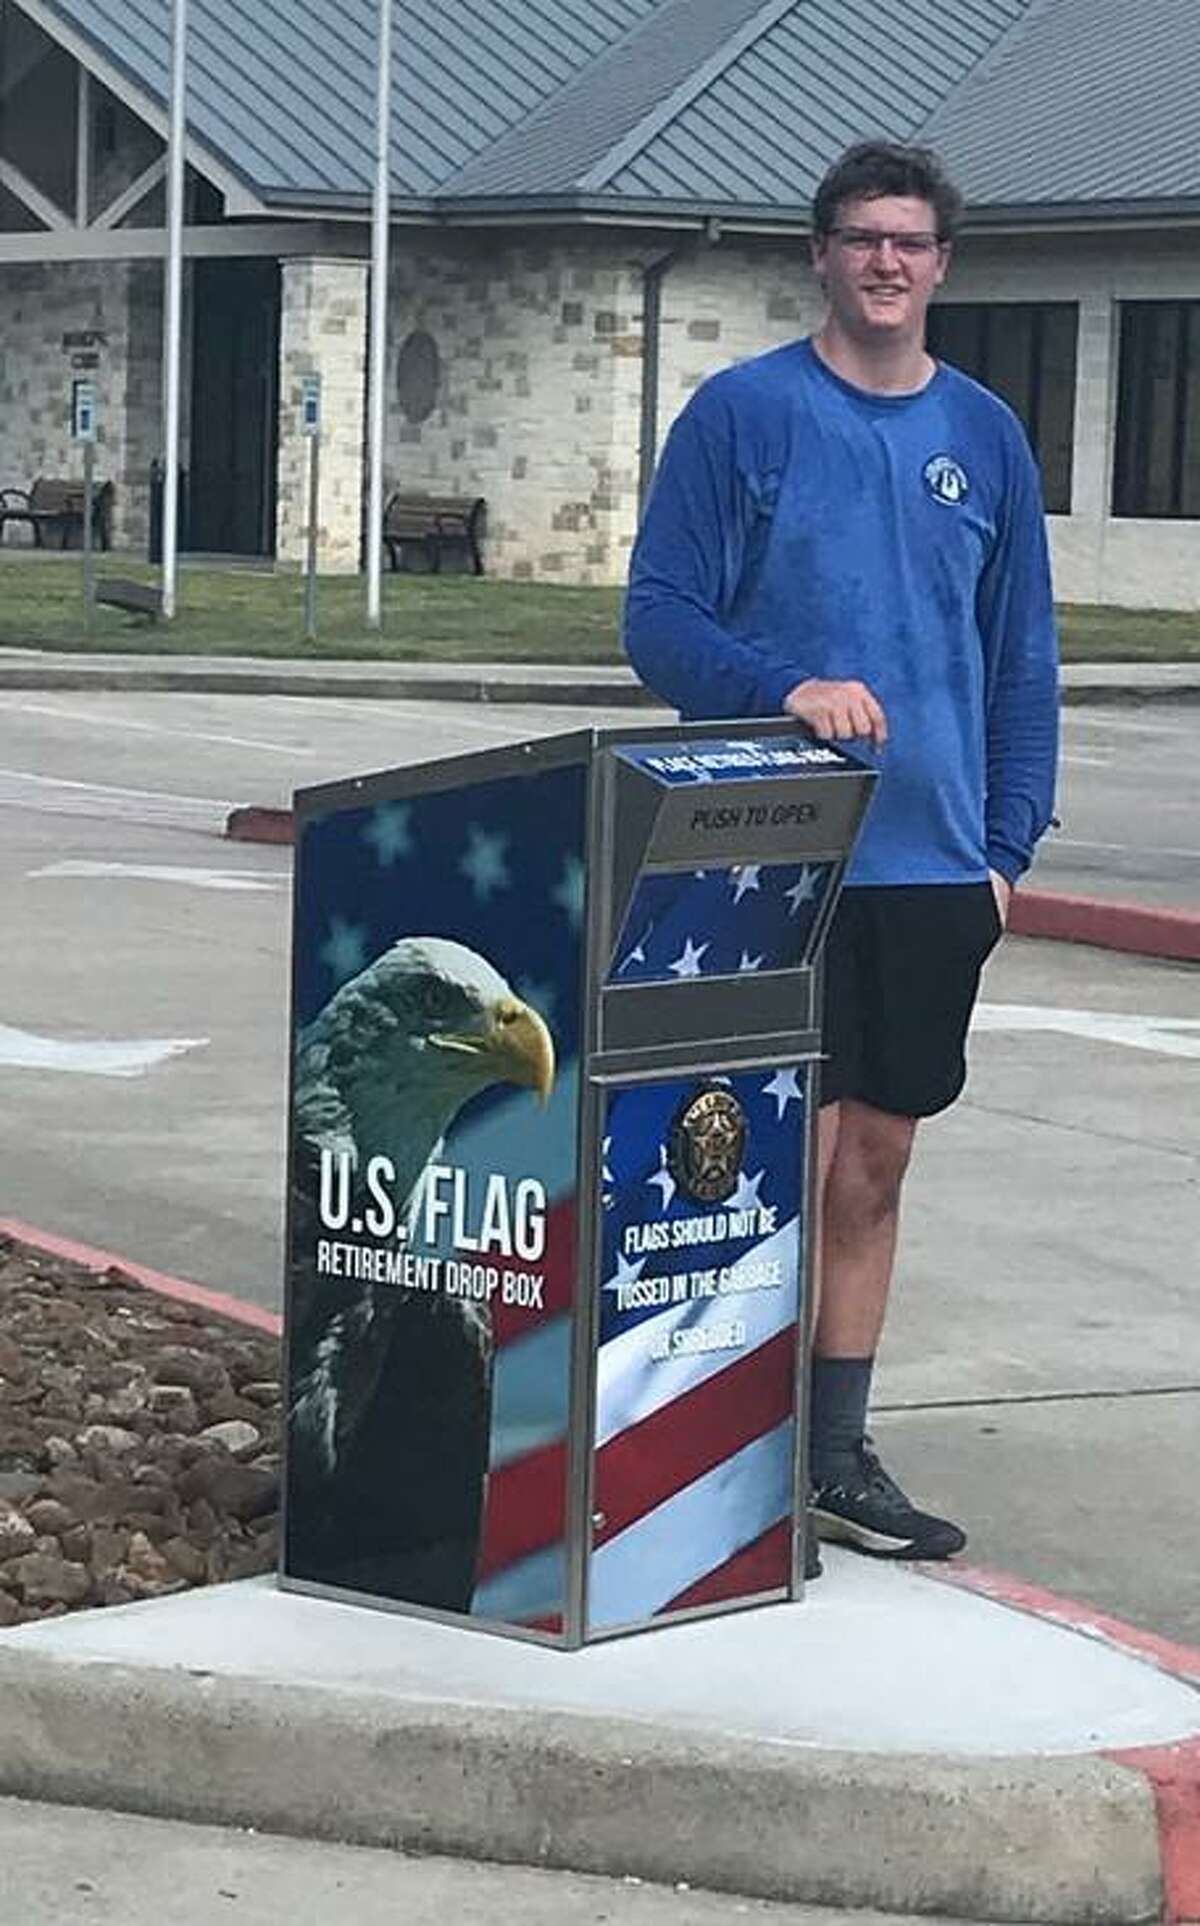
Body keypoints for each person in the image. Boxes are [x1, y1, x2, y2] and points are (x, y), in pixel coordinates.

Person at [623, 140, 1059, 1570]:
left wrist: (1008, 849)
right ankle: (724, 1454)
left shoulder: (985, 435)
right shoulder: (745, 416)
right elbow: (658, 617)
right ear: (820, 253)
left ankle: (831, 1457)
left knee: (871, 1169)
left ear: (943, 265)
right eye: (864, 237)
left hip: (934, 868)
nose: (888, 261)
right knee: (765, 1169)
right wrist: (783, 685)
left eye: (913, 242)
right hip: (770, 859)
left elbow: (1021, 660)